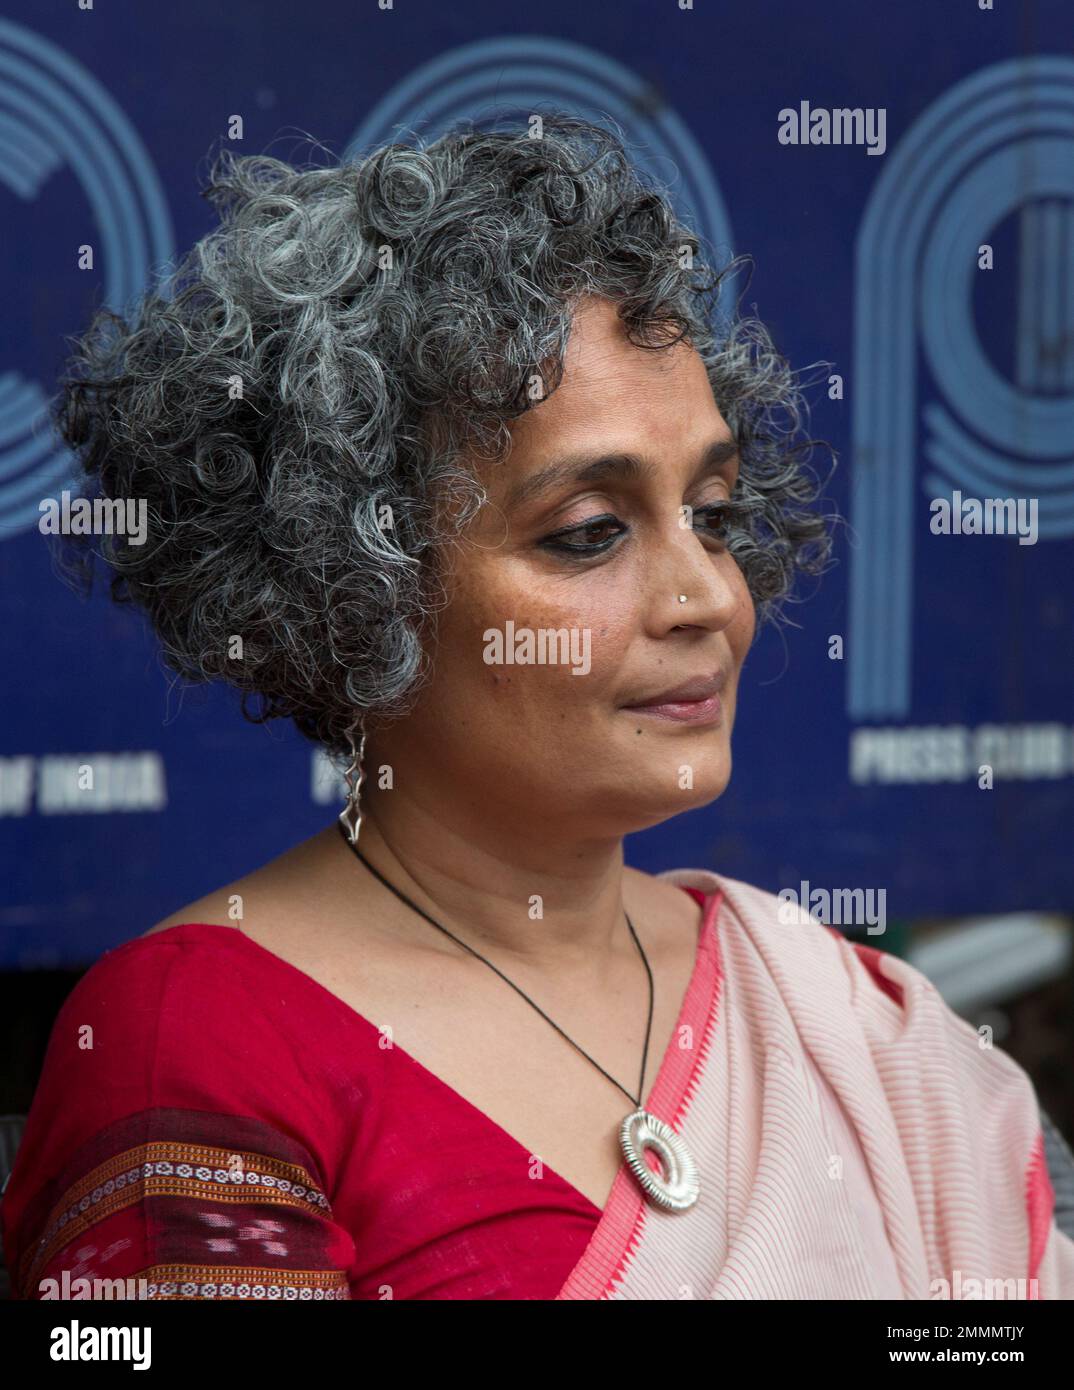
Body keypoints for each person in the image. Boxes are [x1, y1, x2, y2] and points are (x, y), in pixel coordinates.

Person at [4, 114, 1071, 1300]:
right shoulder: (194, 1043)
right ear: (350, 590)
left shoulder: (852, 1020)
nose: (707, 594)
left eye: (713, 513)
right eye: (589, 533)